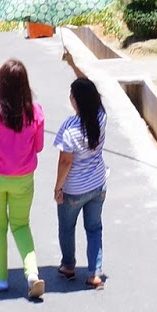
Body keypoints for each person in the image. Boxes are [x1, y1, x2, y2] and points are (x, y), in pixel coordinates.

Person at [0, 59, 45, 299]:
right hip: (23, 179)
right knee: (21, 224)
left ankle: (2, 279)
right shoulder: (35, 113)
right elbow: (39, 146)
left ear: (1, 85)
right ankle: (33, 274)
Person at [54, 77, 107, 289]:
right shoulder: (101, 117)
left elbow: (65, 161)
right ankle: (94, 273)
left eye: (72, 94)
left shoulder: (69, 127)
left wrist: (58, 187)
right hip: (98, 184)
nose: (70, 97)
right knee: (94, 228)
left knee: (67, 227)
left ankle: (68, 266)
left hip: (74, 190)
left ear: (77, 101)